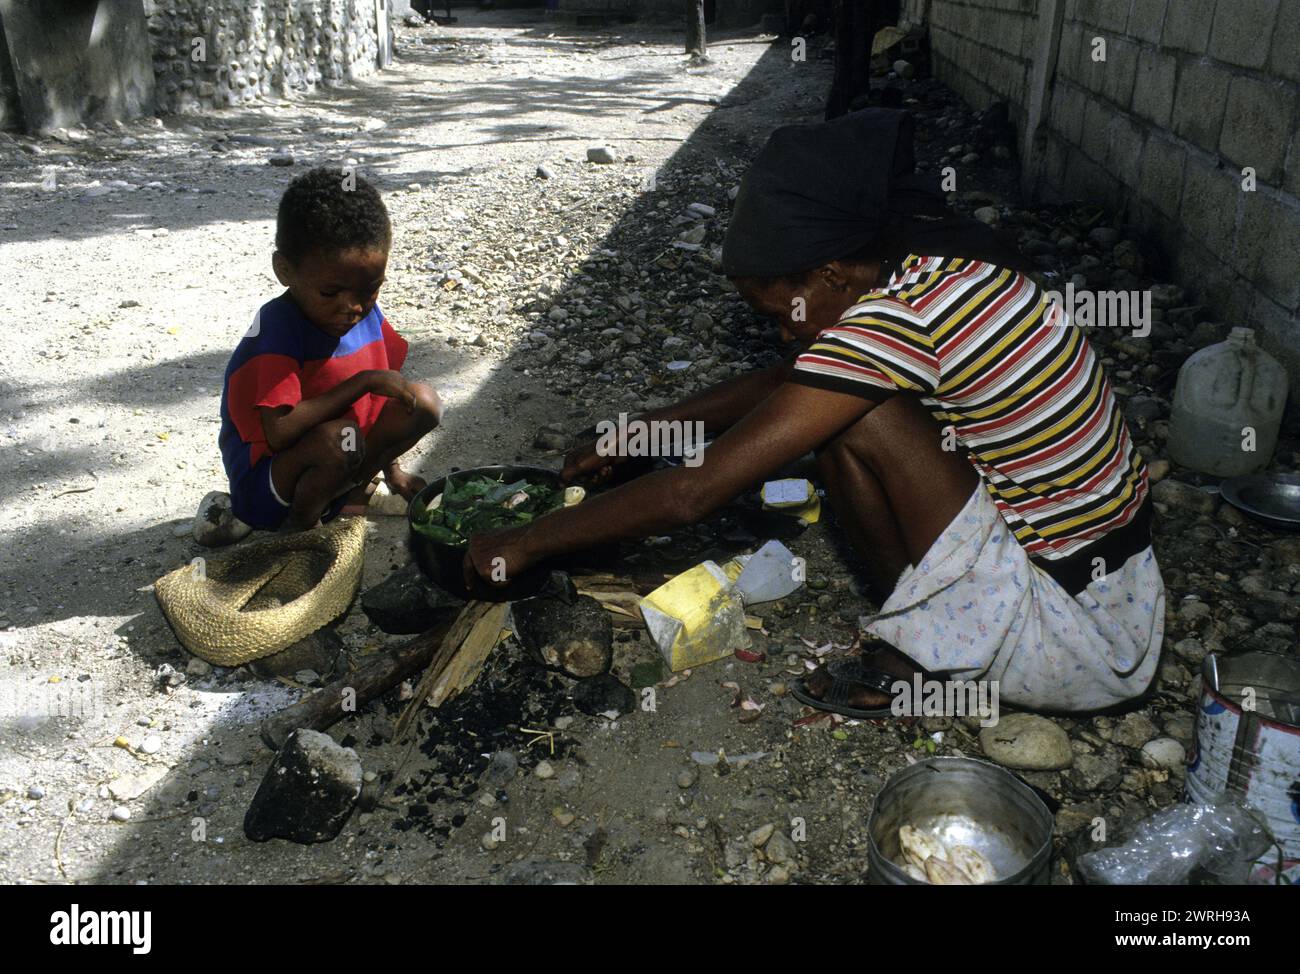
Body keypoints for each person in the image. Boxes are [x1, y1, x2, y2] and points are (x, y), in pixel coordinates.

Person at [464, 109, 1164, 714]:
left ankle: (915, 664)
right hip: (1123, 594)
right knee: (837, 405)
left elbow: (691, 492)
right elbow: (794, 378)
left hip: (1073, 641)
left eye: (783, 313)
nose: (785, 331)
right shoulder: (946, 269)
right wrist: (644, 428)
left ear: (831, 274)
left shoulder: (899, 321)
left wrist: (528, 541)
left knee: (858, 420)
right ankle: (931, 632)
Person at [218, 167, 442, 532]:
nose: (352, 307)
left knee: (422, 402)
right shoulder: (276, 330)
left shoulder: (360, 314)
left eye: (369, 289)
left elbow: (386, 398)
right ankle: (302, 527)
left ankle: (348, 495)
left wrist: (394, 471)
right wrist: (363, 382)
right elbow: (280, 432)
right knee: (341, 440)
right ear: (285, 271)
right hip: (270, 485)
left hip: (339, 458)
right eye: (330, 293)